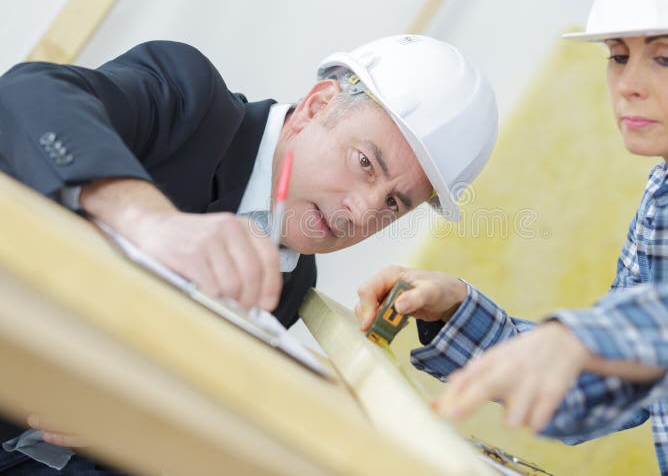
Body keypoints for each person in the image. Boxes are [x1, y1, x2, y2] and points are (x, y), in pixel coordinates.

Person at [357, 0, 668, 474]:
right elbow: (607, 387)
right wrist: (456, 313)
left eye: (664, 58)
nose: (629, 85)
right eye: (618, 55)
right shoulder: (667, 197)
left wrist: (577, 338)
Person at [0, 34, 498, 473]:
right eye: (365, 163)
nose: (361, 210)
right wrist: (148, 219)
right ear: (317, 106)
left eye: (393, 202)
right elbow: (26, 95)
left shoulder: (294, 283)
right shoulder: (189, 100)